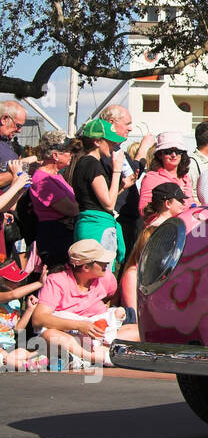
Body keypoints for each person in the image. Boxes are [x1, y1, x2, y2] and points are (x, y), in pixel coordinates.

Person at [31, 238, 140, 368]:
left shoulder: (106, 278)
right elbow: (38, 319)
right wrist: (79, 325)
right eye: (101, 261)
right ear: (86, 267)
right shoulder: (56, 281)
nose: (107, 263)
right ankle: (98, 357)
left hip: (99, 337)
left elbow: (111, 298)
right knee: (51, 336)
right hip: (70, 336)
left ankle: (91, 354)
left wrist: (109, 320)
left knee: (138, 331)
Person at [119, 183, 188, 318]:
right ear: (168, 203)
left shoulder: (166, 227)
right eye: (179, 200)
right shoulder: (156, 230)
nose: (183, 204)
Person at [71, 118, 127, 271]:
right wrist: (117, 171)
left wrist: (122, 187)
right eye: (110, 141)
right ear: (97, 141)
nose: (114, 145)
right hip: (97, 229)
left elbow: (95, 199)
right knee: (100, 278)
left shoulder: (82, 162)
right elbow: (108, 204)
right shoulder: (92, 164)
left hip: (88, 224)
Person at [102, 104, 152, 252]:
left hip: (127, 221)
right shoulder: (107, 154)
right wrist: (144, 148)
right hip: (119, 221)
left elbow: (133, 172)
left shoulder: (116, 151)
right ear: (111, 123)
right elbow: (131, 176)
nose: (130, 129)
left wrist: (144, 148)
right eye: (127, 124)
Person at [29, 130, 80, 268]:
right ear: (55, 155)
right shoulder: (42, 180)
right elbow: (72, 209)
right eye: (68, 151)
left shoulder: (56, 176)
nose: (71, 155)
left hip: (62, 234)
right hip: (55, 238)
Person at [137, 130, 196, 213]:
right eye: (168, 151)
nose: (174, 155)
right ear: (160, 155)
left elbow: (191, 205)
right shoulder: (151, 178)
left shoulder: (185, 178)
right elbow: (144, 210)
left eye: (178, 151)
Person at [1, 272, 47, 370]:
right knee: (4, 357)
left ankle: (35, 358)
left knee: (21, 352)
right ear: (2, 281)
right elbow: (12, 294)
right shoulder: (6, 296)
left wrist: (29, 309)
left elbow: (18, 328)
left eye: (19, 281)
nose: (18, 284)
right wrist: (39, 283)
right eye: (14, 281)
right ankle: (25, 365)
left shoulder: (15, 303)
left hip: (9, 347)